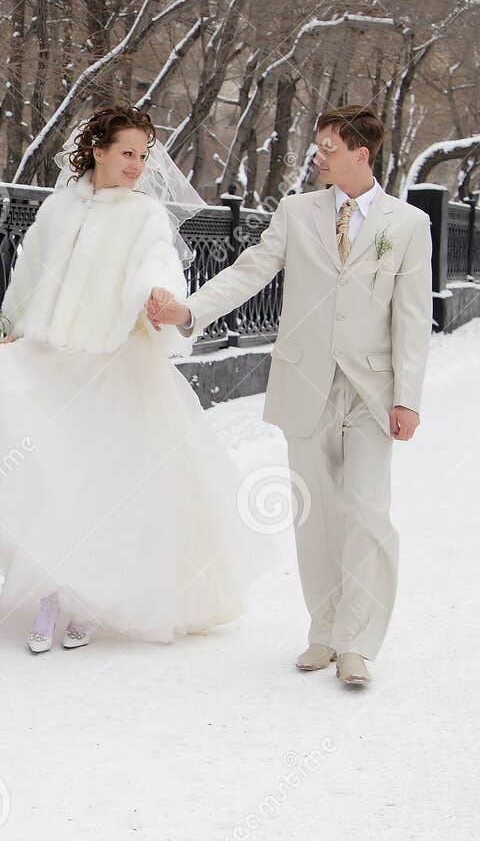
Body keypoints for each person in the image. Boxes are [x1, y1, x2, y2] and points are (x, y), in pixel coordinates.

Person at [0, 104, 260, 654]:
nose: (136, 165)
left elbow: (156, 262)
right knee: (41, 471)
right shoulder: (57, 208)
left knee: (99, 483)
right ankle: (49, 590)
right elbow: (29, 275)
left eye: (143, 156)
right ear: (97, 150)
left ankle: (86, 601)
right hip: (47, 354)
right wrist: (5, 328)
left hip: (111, 360)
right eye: (127, 152)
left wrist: (159, 295)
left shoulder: (143, 215)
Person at [147, 106, 431, 687]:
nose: (318, 155)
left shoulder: (407, 225)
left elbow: (412, 315)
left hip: (372, 391)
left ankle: (358, 643)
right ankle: (323, 631)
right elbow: (252, 269)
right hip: (305, 383)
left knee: (367, 512)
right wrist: (190, 309)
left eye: (328, 147)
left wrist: (409, 397)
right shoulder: (297, 212)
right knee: (316, 512)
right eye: (318, 146)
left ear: (361, 154)